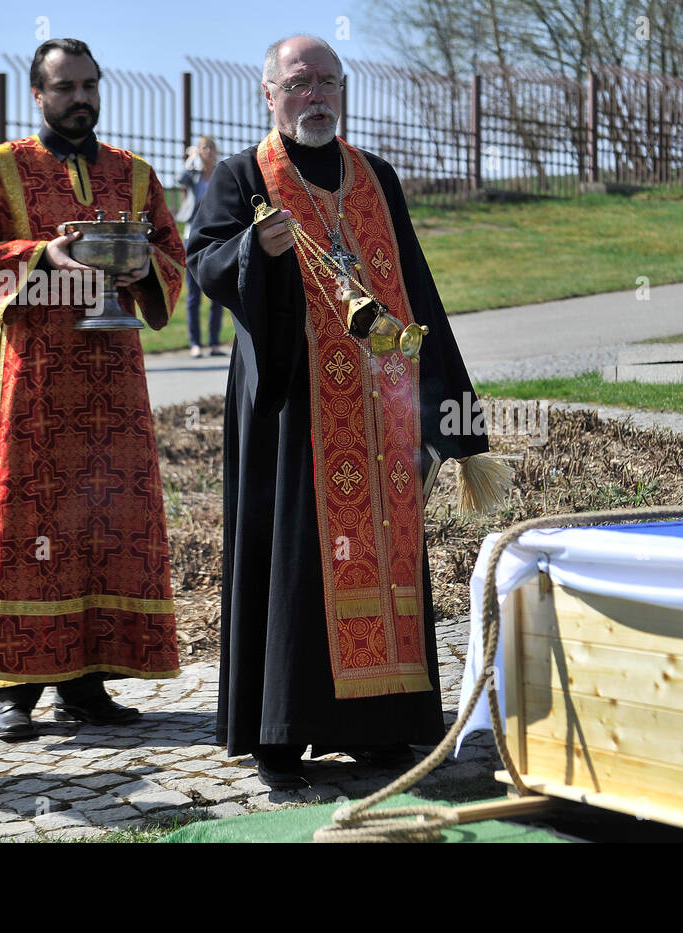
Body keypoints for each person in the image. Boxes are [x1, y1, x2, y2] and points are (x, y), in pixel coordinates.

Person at [187, 35, 488, 789]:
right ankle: (282, 735)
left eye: (328, 81)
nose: (315, 94)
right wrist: (259, 250)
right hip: (293, 414)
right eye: (299, 82)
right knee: (294, 564)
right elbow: (205, 262)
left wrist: (457, 423)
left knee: (381, 560)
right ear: (269, 94)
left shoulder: (376, 178)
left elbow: (416, 288)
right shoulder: (242, 175)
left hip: (383, 414)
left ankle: (382, 729)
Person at [0, 38, 185, 741]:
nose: (80, 97)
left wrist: (141, 268)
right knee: (33, 523)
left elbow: (172, 258)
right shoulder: (1, 168)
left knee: (109, 519)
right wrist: (41, 254)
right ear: (39, 94)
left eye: (89, 85)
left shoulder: (133, 174)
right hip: (38, 380)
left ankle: (86, 681)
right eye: (64, 86)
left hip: (115, 382)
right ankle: (15, 687)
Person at [176, 136, 225, 357]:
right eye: (203, 148)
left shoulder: (221, 173)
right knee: (193, 294)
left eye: (209, 148)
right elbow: (179, 180)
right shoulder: (193, 175)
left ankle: (214, 342)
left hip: (216, 238)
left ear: (215, 151)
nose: (207, 151)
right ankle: (195, 343)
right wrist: (190, 161)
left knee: (217, 291)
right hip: (192, 236)